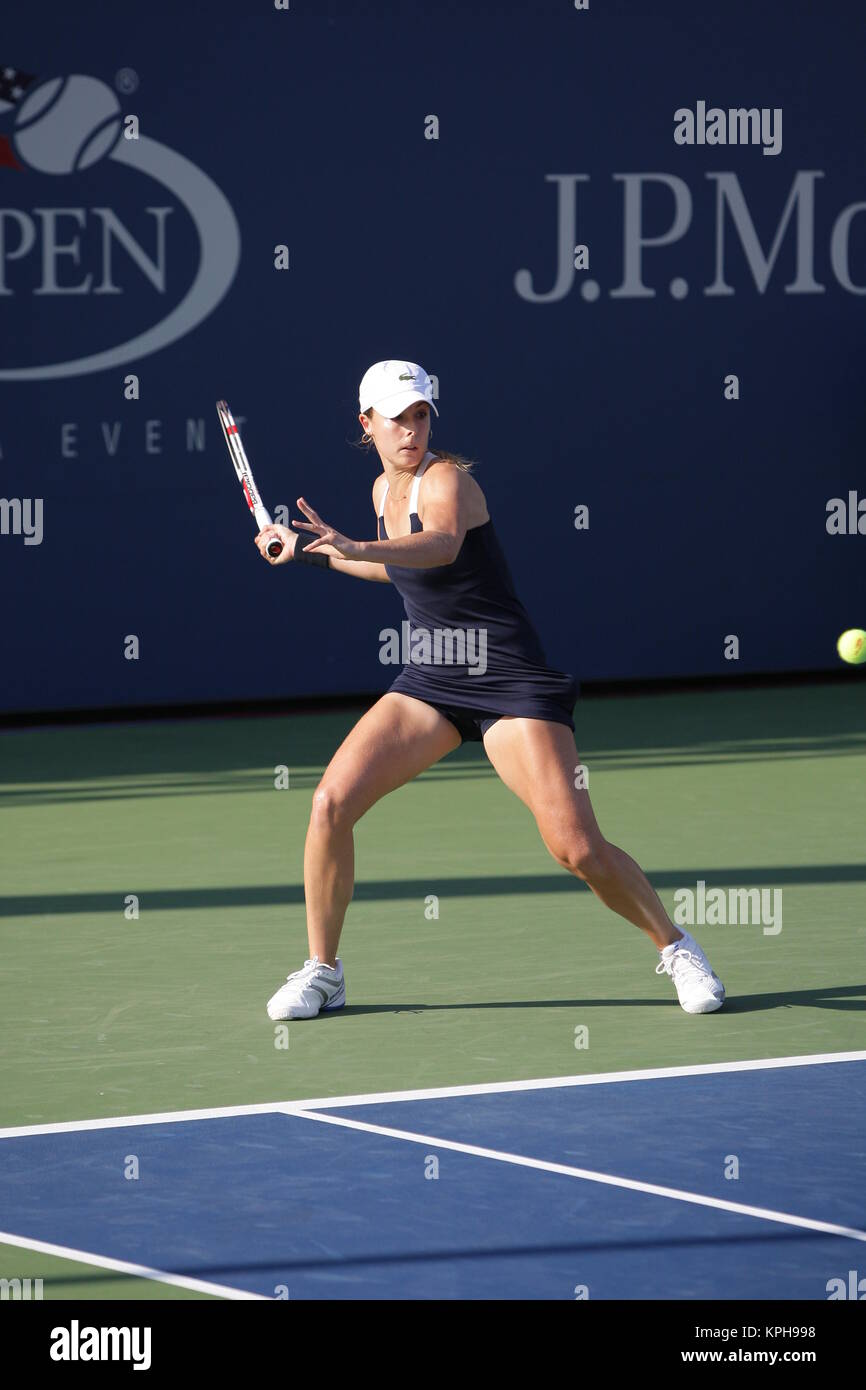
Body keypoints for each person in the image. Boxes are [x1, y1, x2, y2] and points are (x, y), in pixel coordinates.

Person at [254, 360, 725, 1021]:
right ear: (367, 425)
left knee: (577, 847)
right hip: (431, 679)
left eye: (421, 415)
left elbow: (440, 547)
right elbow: (397, 574)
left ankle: (676, 948)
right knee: (330, 802)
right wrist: (303, 551)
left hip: (509, 679)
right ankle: (323, 972)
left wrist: (355, 543)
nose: (412, 430)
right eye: (397, 419)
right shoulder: (378, 494)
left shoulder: (448, 481)